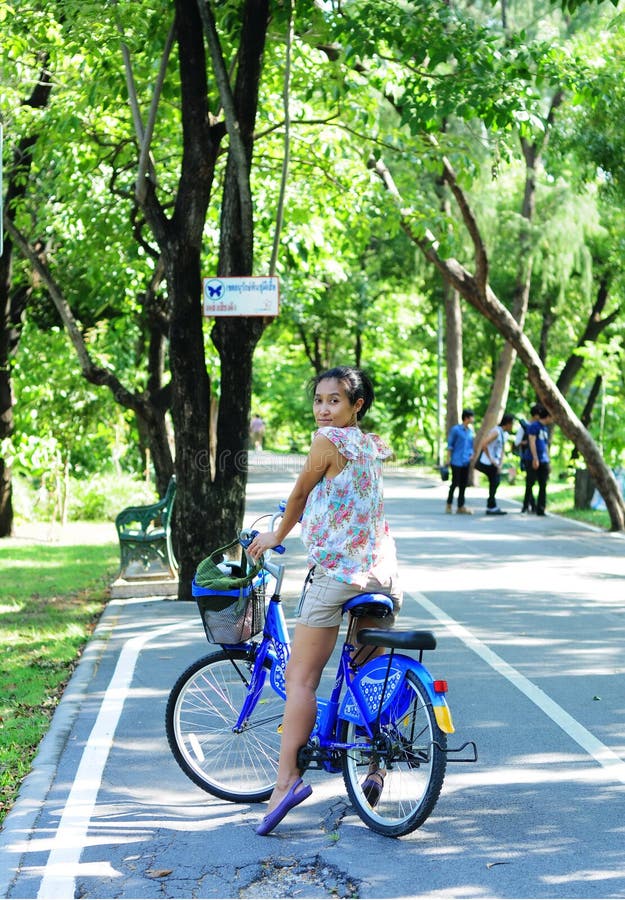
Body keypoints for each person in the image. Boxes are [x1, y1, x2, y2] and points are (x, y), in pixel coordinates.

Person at [247, 366, 402, 836]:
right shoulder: (373, 444)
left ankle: (286, 781)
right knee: (369, 673)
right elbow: (344, 494)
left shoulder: (324, 442)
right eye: (318, 400)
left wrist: (276, 533)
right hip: (383, 576)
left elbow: (298, 496)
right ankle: (375, 768)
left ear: (356, 405)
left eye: (334, 400)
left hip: (337, 575)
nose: (323, 409)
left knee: (302, 679)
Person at [474, 413, 515, 515]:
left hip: (495, 463)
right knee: (495, 482)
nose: (512, 426)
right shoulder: (496, 431)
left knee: (495, 482)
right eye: (512, 424)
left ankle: (491, 505)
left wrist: (500, 463)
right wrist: (491, 459)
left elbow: (502, 450)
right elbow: (484, 443)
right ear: (508, 423)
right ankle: (491, 506)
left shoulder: (504, 434)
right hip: (488, 462)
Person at [523, 404, 552, 516]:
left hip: (544, 459)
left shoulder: (545, 428)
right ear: (547, 416)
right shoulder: (534, 426)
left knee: (543, 485)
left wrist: (547, 459)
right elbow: (532, 442)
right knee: (530, 483)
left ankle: (541, 508)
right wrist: (535, 458)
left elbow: (544, 445)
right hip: (533, 459)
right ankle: (525, 506)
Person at [445, 409, 475, 514]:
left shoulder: (470, 431)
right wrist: (447, 459)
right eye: (472, 417)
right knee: (454, 483)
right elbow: (450, 445)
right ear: (466, 418)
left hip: (466, 461)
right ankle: (449, 504)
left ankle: (460, 506)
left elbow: (471, 446)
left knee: (463, 484)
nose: (473, 419)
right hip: (456, 461)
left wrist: (472, 454)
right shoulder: (456, 430)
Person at [517, 403, 542, 513]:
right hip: (527, 457)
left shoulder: (538, 427)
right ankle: (529, 504)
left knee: (532, 481)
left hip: (536, 458)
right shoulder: (524, 426)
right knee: (530, 481)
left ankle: (532, 504)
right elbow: (517, 442)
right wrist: (528, 442)